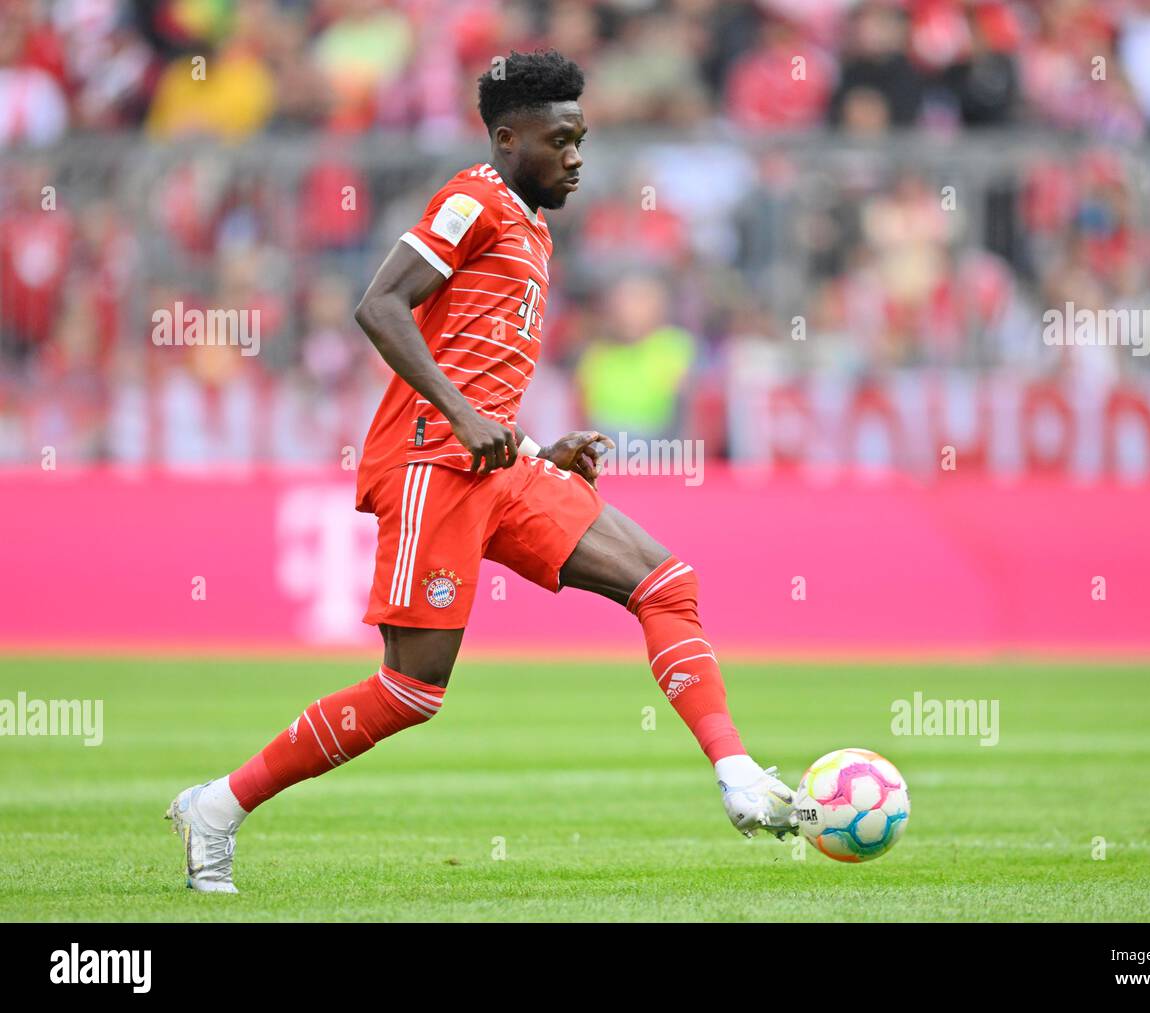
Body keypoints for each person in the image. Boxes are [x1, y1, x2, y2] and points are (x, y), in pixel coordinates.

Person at [165, 49, 794, 893]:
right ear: (508, 137)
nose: (577, 158)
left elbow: (478, 368)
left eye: (583, 140)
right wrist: (463, 418)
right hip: (433, 462)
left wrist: (536, 449)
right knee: (412, 691)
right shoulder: (473, 199)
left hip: (498, 466)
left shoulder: (529, 225)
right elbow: (378, 302)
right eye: (561, 140)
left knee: (666, 583)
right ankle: (217, 805)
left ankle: (737, 773)